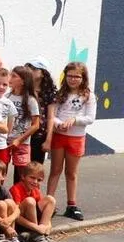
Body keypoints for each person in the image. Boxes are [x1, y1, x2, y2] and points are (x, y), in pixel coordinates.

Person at [44, 61, 95, 220]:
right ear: (65, 76)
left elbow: (90, 118)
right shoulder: (60, 94)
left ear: (83, 78)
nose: (73, 79)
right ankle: (48, 203)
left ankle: (71, 205)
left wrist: (74, 120)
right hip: (60, 137)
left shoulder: (88, 95)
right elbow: (54, 115)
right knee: (55, 170)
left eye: (77, 76)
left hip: (77, 138)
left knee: (71, 173)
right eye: (70, 76)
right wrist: (59, 124)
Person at [10, 161, 57, 242]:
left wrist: (47, 226)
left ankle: (43, 234)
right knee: (30, 201)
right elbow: (16, 216)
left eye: (39, 180)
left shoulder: (36, 190)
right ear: (23, 176)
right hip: (21, 222)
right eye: (32, 178)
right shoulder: (16, 189)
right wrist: (36, 227)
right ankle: (37, 235)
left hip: (36, 223)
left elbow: (44, 212)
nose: (35, 182)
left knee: (50, 199)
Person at [7, 66, 40, 183]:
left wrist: (19, 140)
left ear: (23, 81)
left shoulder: (31, 100)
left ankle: (21, 200)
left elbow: (36, 125)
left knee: (22, 177)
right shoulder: (6, 97)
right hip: (5, 142)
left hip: (22, 143)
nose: (9, 78)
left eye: (14, 76)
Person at [25, 58, 57, 165]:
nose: (30, 70)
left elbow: (51, 117)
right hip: (23, 135)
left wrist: (48, 140)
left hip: (39, 136)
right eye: (29, 67)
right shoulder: (23, 89)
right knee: (21, 169)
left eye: (34, 68)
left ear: (43, 73)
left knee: (35, 168)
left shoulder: (49, 92)